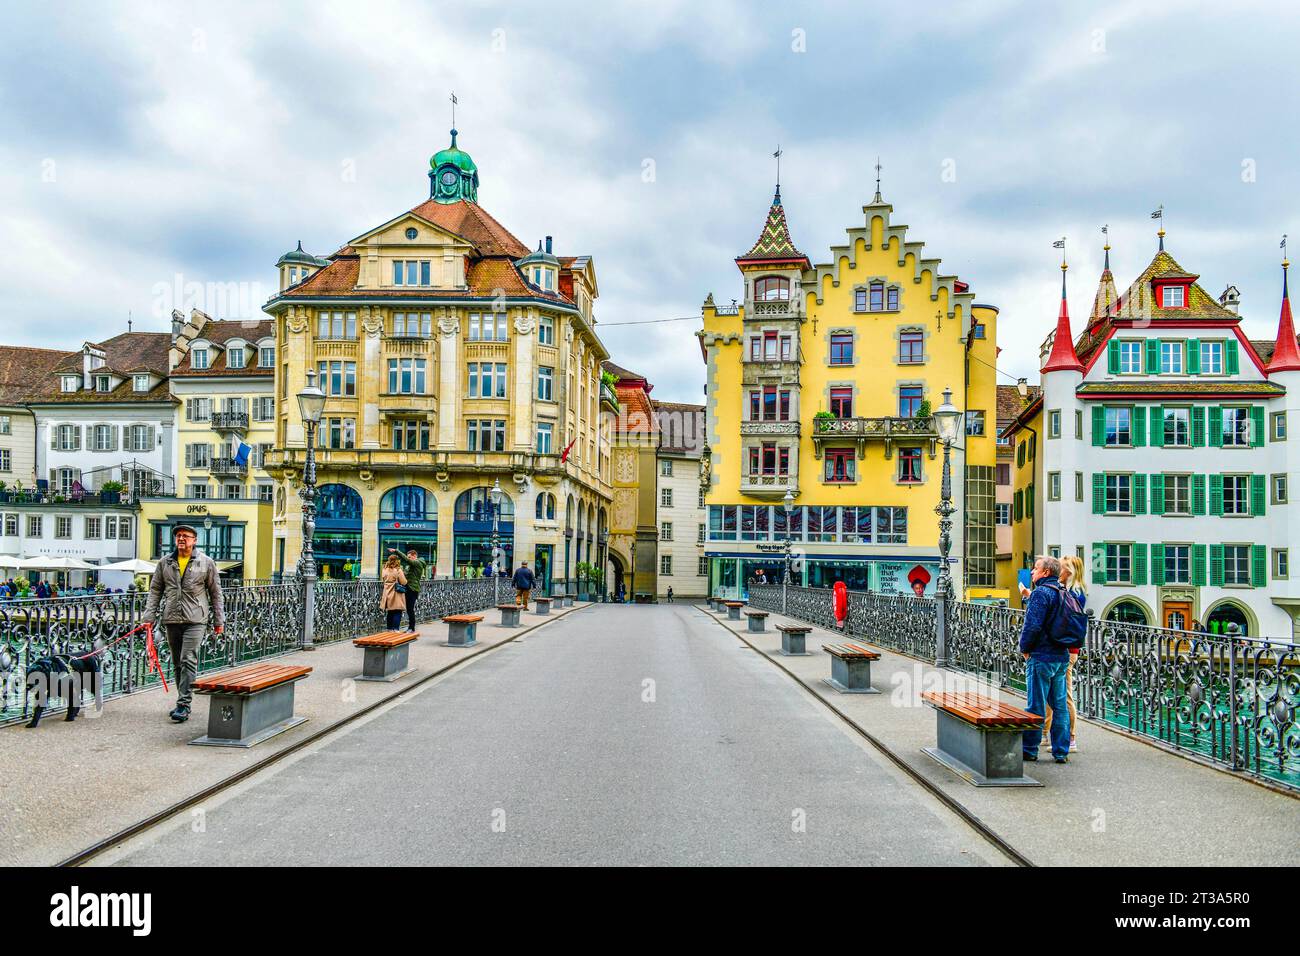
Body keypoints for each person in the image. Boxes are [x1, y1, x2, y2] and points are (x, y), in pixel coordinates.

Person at [143, 524, 225, 724]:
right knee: (177, 661)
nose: (181, 539)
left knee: (188, 658)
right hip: (172, 618)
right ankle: (182, 699)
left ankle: (184, 704)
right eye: (178, 536)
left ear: (194, 540)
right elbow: (155, 590)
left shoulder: (206, 563)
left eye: (186, 536)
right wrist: (148, 617)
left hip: (196, 619)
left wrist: (218, 620)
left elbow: (216, 593)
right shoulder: (165, 562)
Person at [1018, 555, 1072, 764]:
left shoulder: (1041, 593)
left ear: (1046, 572)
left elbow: (1032, 625)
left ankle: (1030, 749)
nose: (1032, 572)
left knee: (1035, 705)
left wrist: (1025, 648)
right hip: (1061, 655)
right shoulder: (1062, 592)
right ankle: (1061, 751)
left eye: (1036, 568)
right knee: (1059, 706)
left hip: (1041, 656)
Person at [1044, 554, 1085, 754]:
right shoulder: (1071, 591)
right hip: (1062, 647)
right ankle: (1048, 733)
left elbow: (1061, 617)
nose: (1057, 571)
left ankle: (1071, 738)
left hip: (1067, 650)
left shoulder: (1074, 593)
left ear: (1068, 572)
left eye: (1060, 568)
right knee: (1053, 693)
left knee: (1064, 694)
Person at [389, 547, 426, 634]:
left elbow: (406, 560)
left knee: (410, 609)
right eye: (408, 557)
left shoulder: (418, 562)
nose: (408, 559)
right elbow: (406, 574)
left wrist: (396, 551)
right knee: (405, 608)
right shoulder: (412, 565)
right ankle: (401, 627)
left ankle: (411, 628)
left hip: (412, 589)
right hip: (408, 588)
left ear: (414, 556)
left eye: (409, 557)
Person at [379, 554, 407, 632]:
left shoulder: (384, 569)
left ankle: (389, 628)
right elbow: (404, 582)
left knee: (390, 611)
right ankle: (396, 629)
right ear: (397, 561)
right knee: (398, 611)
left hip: (387, 591)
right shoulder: (398, 570)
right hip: (396, 592)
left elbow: (383, 579)